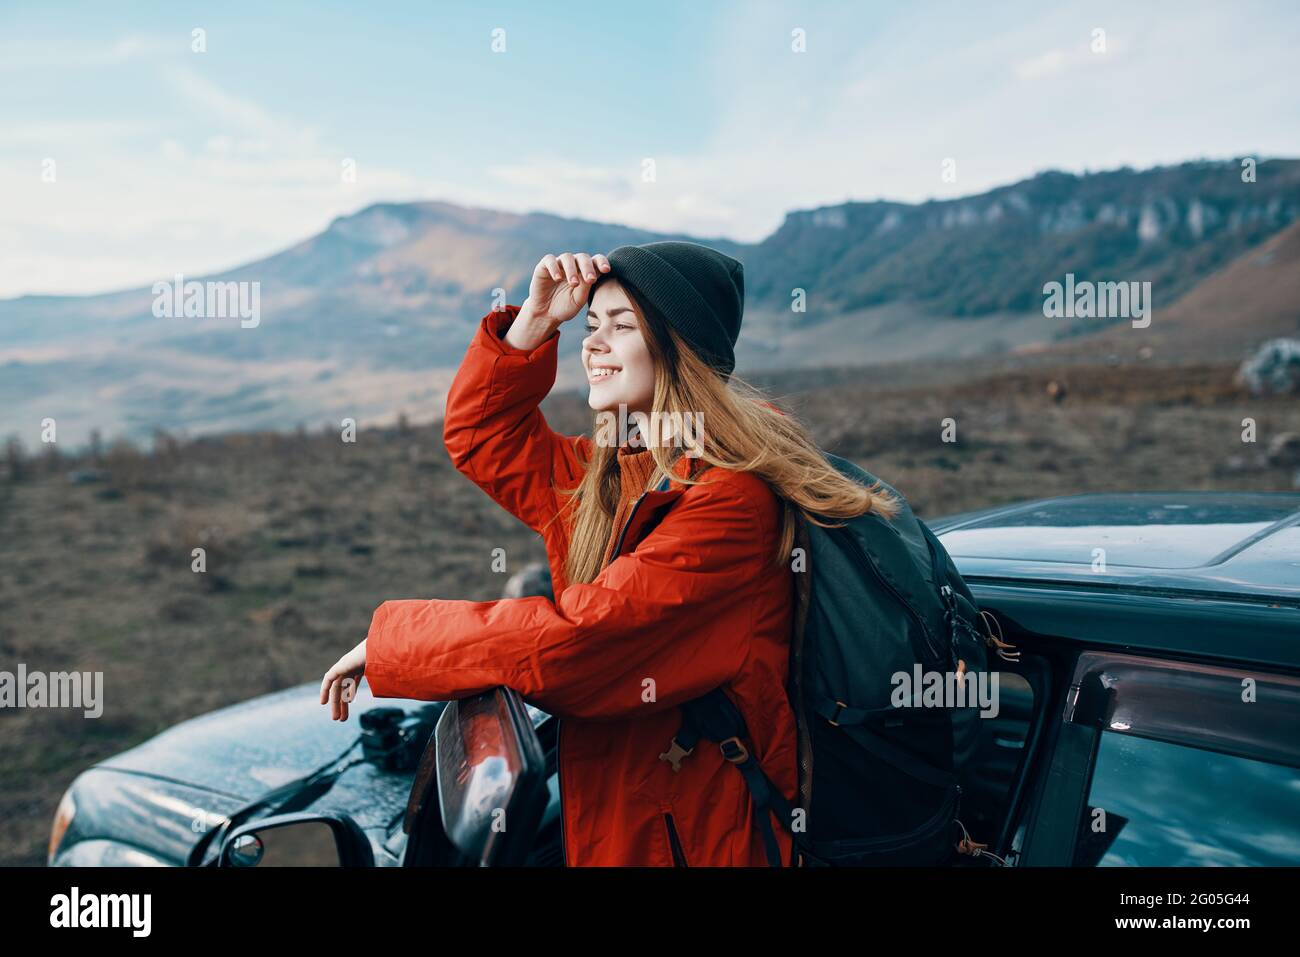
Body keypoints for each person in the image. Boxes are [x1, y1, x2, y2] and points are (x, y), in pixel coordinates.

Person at [320, 242, 900, 866]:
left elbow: (583, 642)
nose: (592, 344)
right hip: (625, 816)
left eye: (621, 327)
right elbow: (482, 438)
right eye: (592, 325)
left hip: (698, 837)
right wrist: (534, 325)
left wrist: (390, 644)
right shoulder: (609, 476)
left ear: (682, 351)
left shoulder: (730, 503)